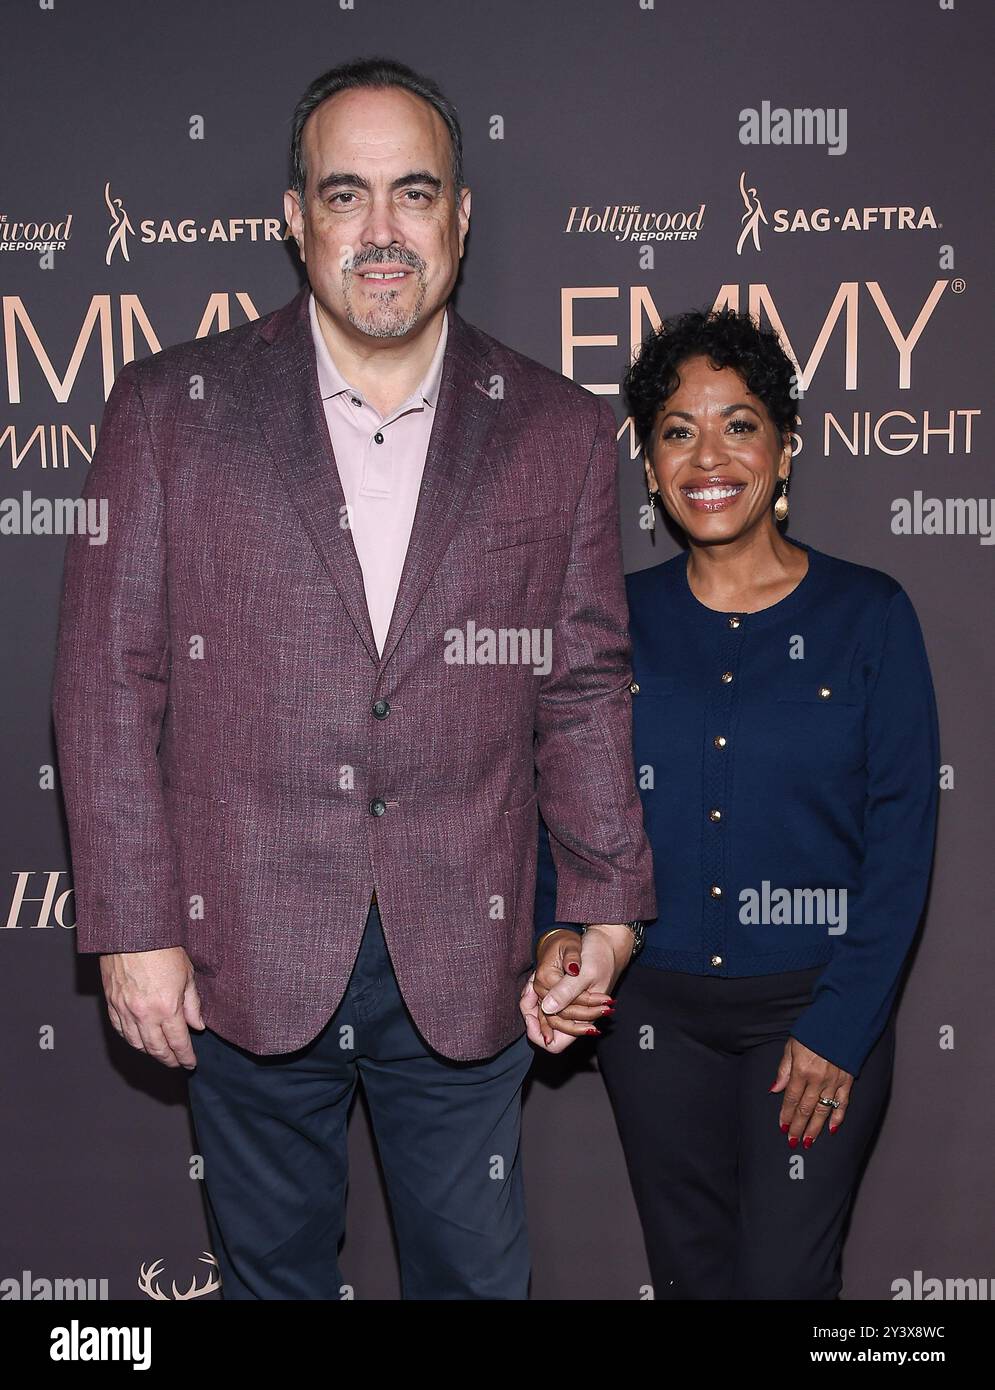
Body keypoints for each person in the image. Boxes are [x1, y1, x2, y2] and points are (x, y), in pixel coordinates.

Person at [51, 56, 655, 1301]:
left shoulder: (554, 427)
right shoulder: (172, 410)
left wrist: (601, 903)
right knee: (271, 1283)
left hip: (466, 950)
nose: (382, 231)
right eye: (345, 194)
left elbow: (582, 680)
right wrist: (133, 925)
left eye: (413, 192)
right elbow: (109, 683)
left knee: (475, 1282)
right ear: (293, 217)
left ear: (461, 217)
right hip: (238, 950)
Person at [529, 307, 940, 1299]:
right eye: (676, 430)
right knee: (690, 1278)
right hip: (650, 1018)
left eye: (737, 423)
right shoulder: (610, 616)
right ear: (648, 462)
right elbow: (567, 801)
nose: (705, 455)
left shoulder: (867, 613)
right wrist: (556, 931)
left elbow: (899, 842)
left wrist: (841, 1026)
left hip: (810, 1011)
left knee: (783, 1281)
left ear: (783, 446)